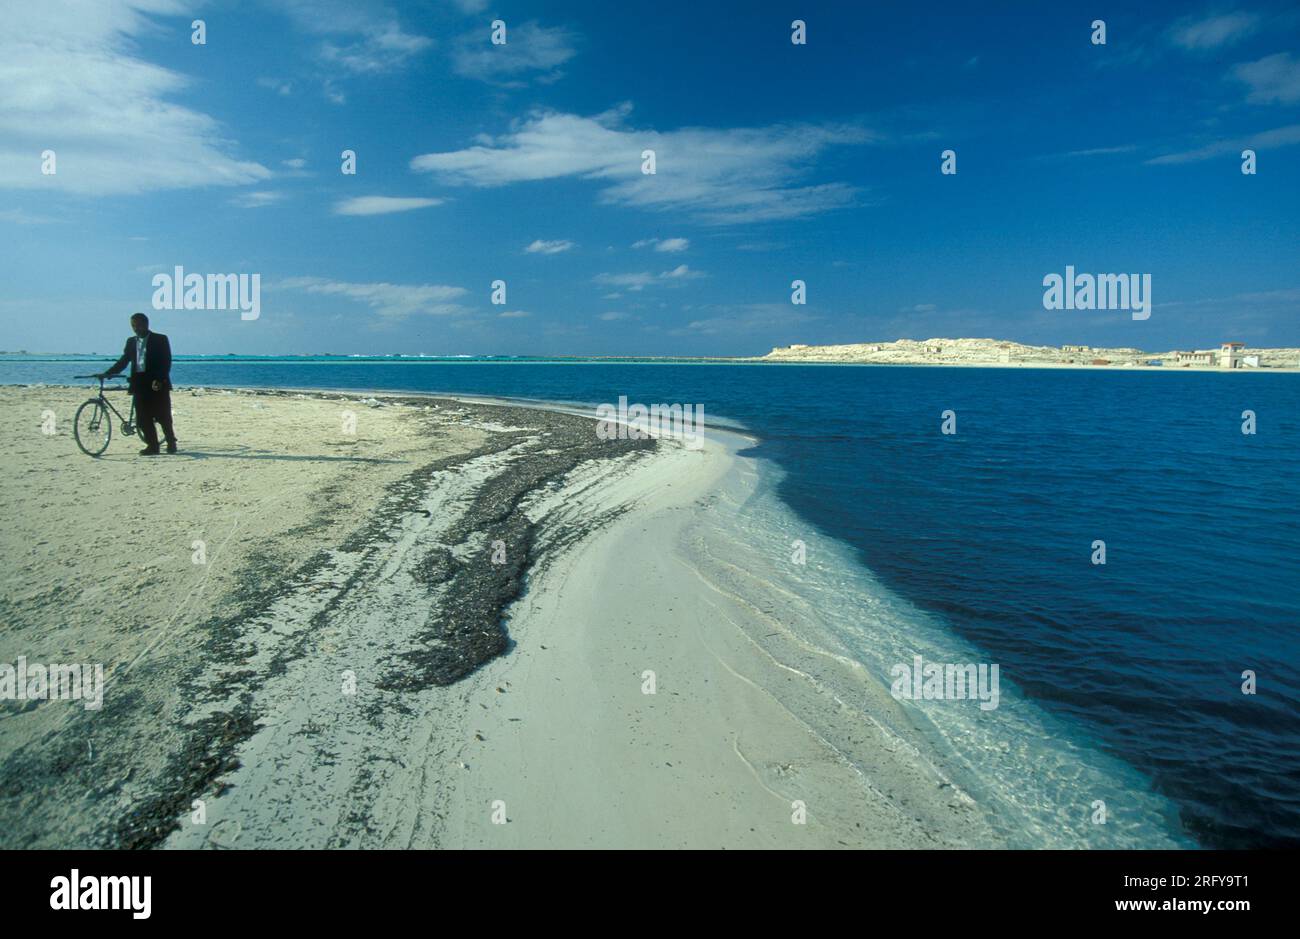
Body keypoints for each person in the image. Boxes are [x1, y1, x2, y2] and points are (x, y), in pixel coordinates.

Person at [98, 313, 178, 455]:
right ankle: (153, 446)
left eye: (138, 325)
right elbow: (124, 361)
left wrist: (159, 379)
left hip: (157, 382)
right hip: (139, 383)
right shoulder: (131, 342)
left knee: (163, 416)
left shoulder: (160, 339)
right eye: (133, 326)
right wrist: (109, 373)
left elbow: (166, 362)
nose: (136, 329)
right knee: (142, 418)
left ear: (146, 324)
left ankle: (171, 442)